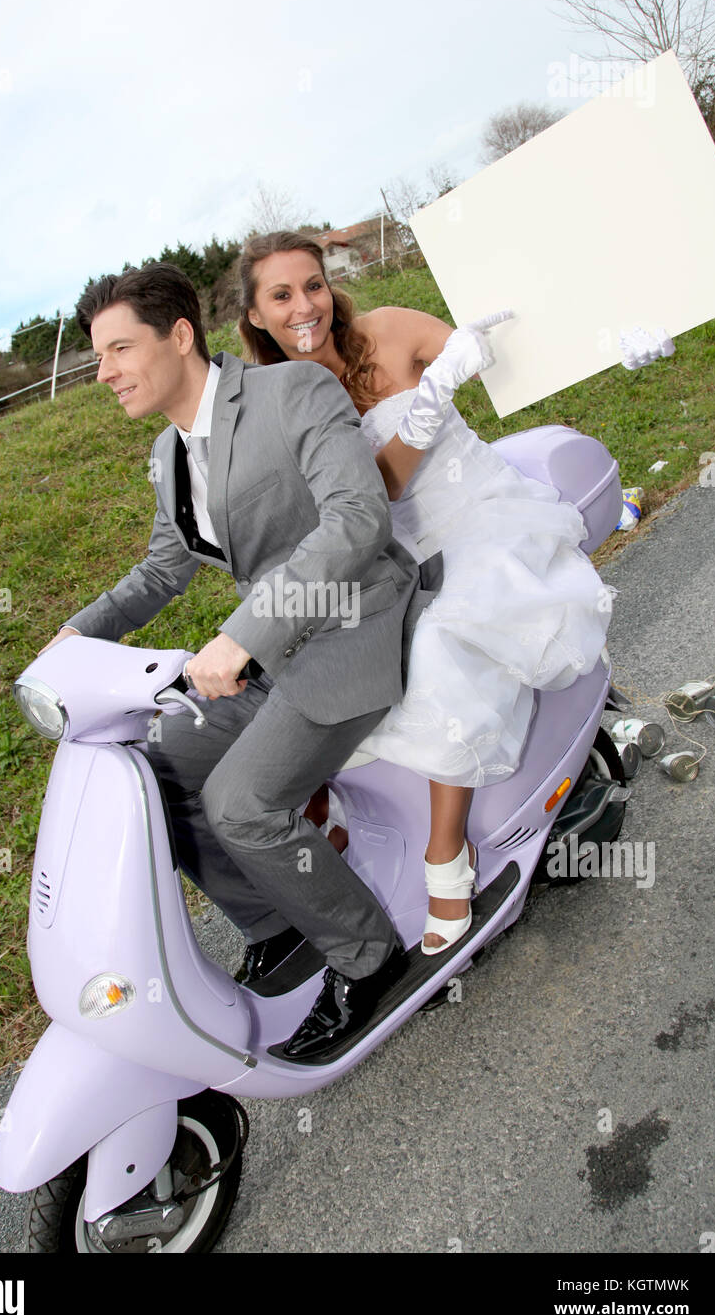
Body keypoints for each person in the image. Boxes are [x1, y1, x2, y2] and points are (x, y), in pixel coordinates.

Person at [40, 260, 438, 1064]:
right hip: (272, 649)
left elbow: (358, 518)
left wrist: (246, 634)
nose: (106, 373)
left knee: (241, 803)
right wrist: (76, 637)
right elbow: (162, 568)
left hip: (353, 626)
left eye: (119, 350)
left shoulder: (291, 392)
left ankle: (368, 958)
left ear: (179, 336)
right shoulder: (168, 452)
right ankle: (278, 923)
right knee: (161, 770)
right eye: (98, 358)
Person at [239, 231, 618, 956]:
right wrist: (428, 399)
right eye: (280, 295)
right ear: (255, 316)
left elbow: (509, 355)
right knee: (316, 666)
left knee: (442, 643)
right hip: (397, 550)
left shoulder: (388, 329)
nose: (304, 306)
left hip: (480, 517)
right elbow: (366, 498)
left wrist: (616, 340)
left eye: (312, 285)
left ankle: (446, 853)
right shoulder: (281, 406)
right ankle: (337, 817)